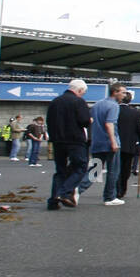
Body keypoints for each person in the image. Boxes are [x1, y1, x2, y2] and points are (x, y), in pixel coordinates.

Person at [45, 79, 92, 210]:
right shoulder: (79, 101)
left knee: (60, 170)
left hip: (57, 140)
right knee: (81, 166)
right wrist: (89, 120)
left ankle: (53, 200)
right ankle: (64, 193)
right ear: (80, 90)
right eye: (83, 92)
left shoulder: (55, 101)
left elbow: (49, 121)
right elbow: (84, 121)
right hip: (74, 140)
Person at [82, 84, 125, 206]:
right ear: (115, 92)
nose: (124, 95)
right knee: (113, 171)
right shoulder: (114, 106)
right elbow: (109, 124)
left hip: (97, 142)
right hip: (110, 143)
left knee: (95, 170)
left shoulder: (97, 104)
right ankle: (110, 197)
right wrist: (113, 142)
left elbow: (91, 121)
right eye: (123, 92)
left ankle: (77, 189)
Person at [116, 89, 140, 199]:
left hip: (116, 143)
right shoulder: (135, 113)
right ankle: (122, 189)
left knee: (115, 167)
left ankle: (115, 188)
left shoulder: (115, 110)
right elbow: (139, 129)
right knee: (126, 168)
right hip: (129, 144)